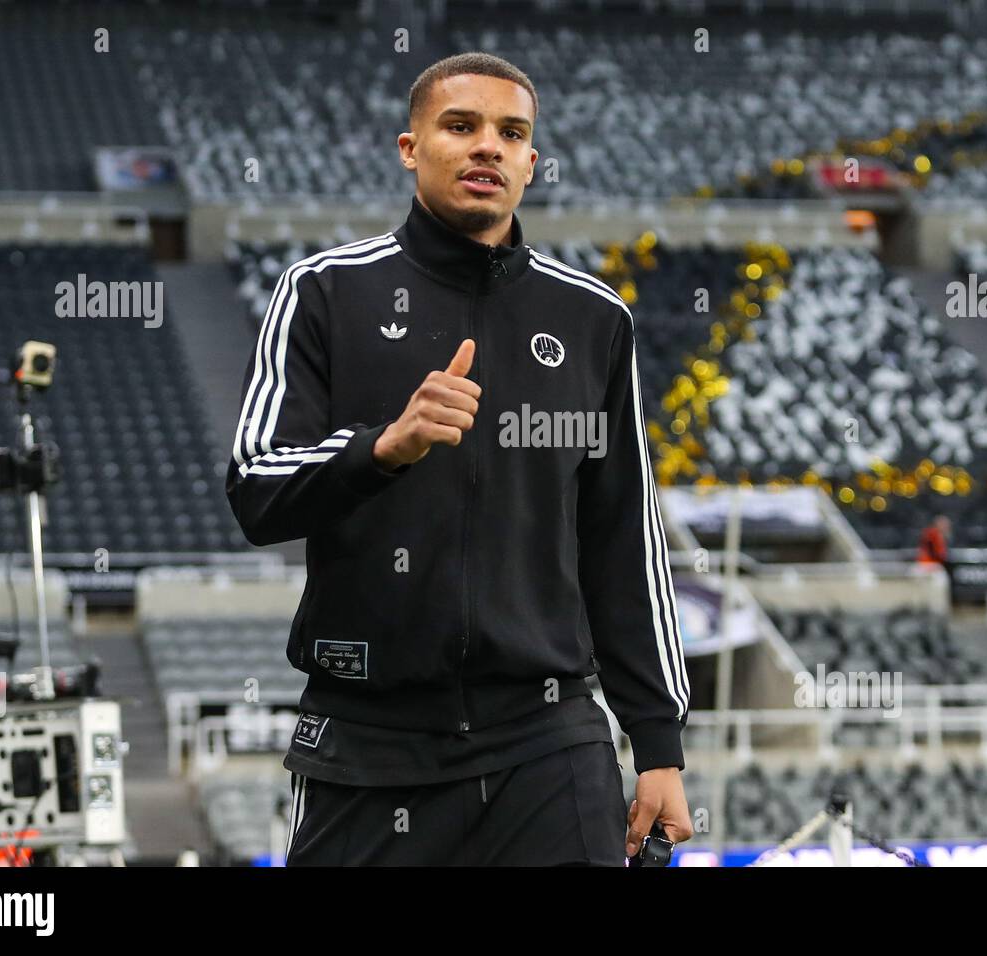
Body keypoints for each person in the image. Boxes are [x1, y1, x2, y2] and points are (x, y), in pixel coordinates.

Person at [225, 52, 692, 865]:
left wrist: (658, 741)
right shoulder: (323, 292)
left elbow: (625, 540)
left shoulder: (592, 318)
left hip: (548, 740)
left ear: (532, 163)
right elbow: (256, 489)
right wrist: (382, 448)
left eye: (511, 134)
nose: (489, 148)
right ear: (411, 148)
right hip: (368, 739)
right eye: (462, 126)